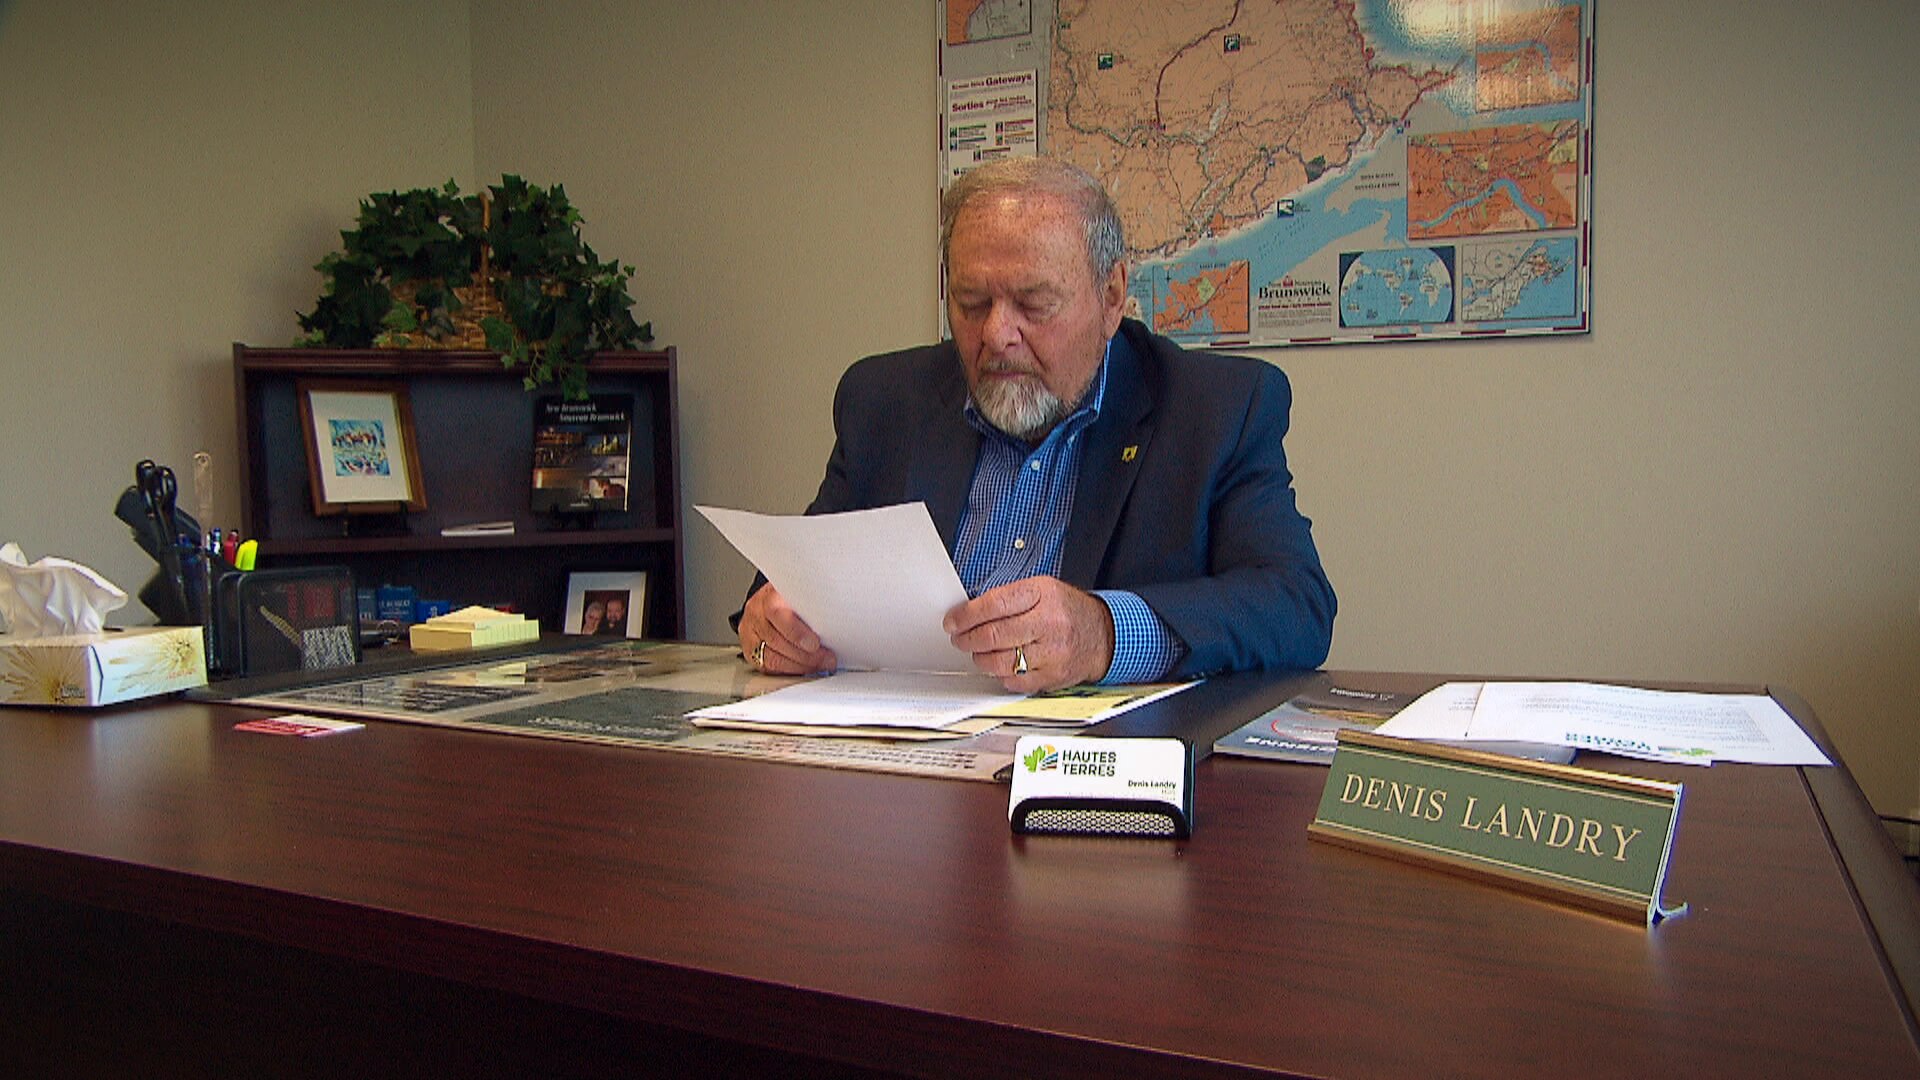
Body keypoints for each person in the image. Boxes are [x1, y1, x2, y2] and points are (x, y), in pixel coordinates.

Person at [735, 156, 1335, 691]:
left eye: (1034, 305)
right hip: (900, 773)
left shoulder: (1216, 408)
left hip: (1090, 782)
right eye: (971, 303)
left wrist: (1103, 633)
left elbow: (1295, 605)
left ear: (1111, 296)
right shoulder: (885, 401)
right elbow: (784, 588)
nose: (997, 334)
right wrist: (773, 622)